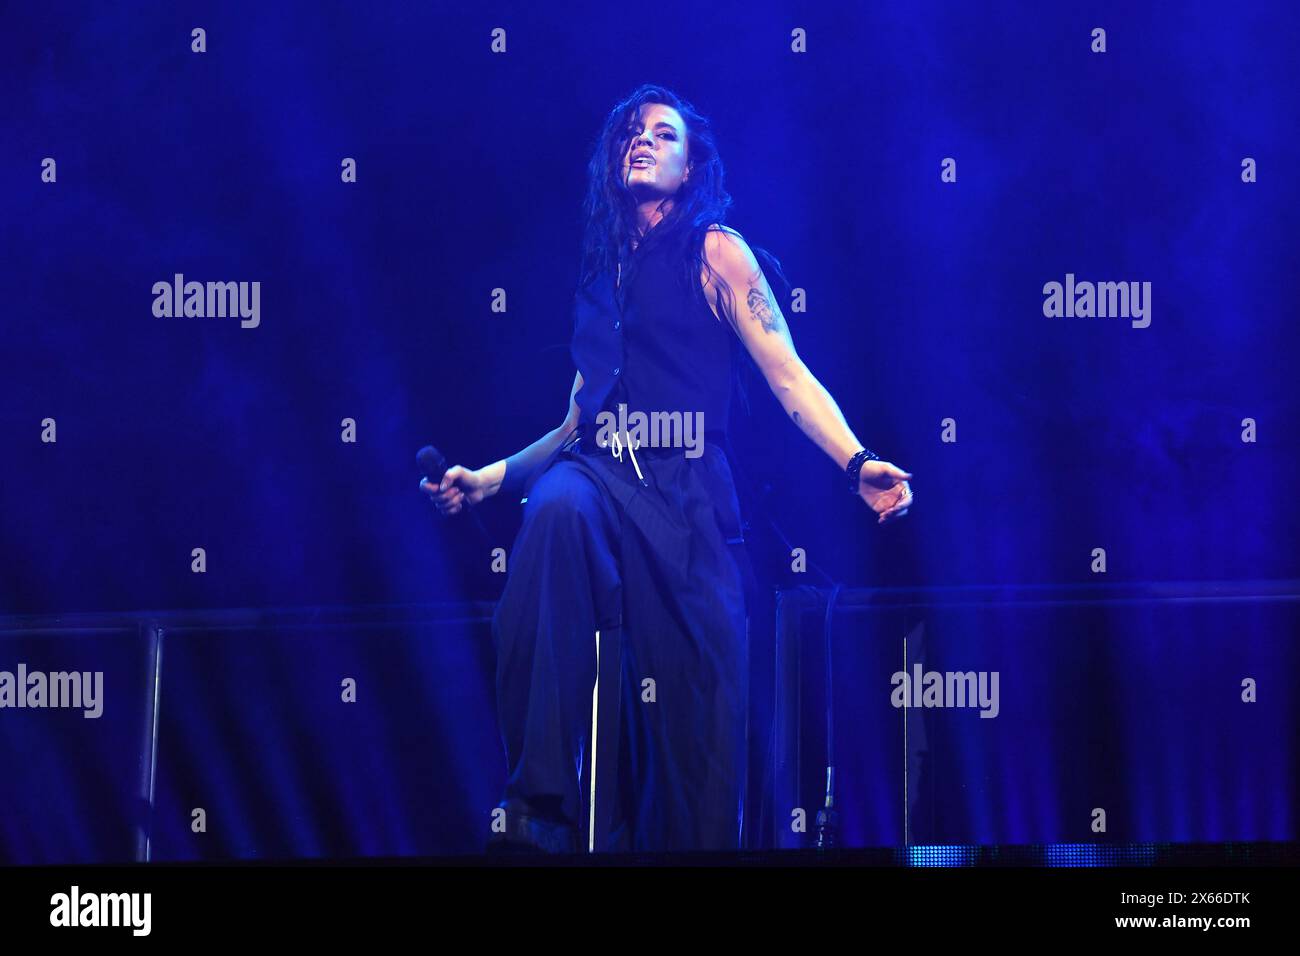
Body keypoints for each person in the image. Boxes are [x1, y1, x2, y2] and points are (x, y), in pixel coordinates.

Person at [421, 84, 914, 853]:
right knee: (552, 511)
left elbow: (788, 374)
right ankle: (535, 807)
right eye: (630, 134)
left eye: (663, 135)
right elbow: (576, 425)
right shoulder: (598, 274)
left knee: (697, 746)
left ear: (690, 168)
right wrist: (491, 478)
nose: (641, 142)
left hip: (686, 502)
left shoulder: (715, 251)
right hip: (599, 476)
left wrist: (856, 462)